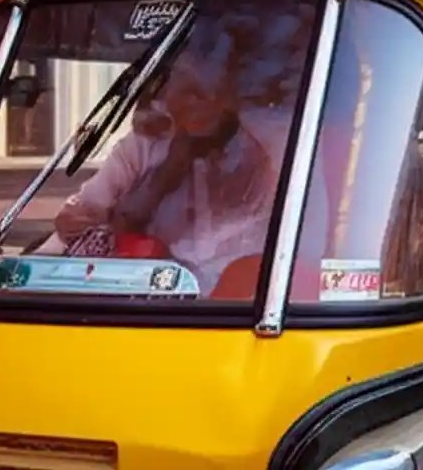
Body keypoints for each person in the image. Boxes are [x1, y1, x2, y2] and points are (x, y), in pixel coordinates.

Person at [42, 39, 285, 293]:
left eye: (201, 93)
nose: (189, 104)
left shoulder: (265, 153)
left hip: (230, 310)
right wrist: (165, 176)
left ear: (231, 98)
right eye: (180, 90)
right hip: (140, 295)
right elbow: (80, 217)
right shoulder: (144, 146)